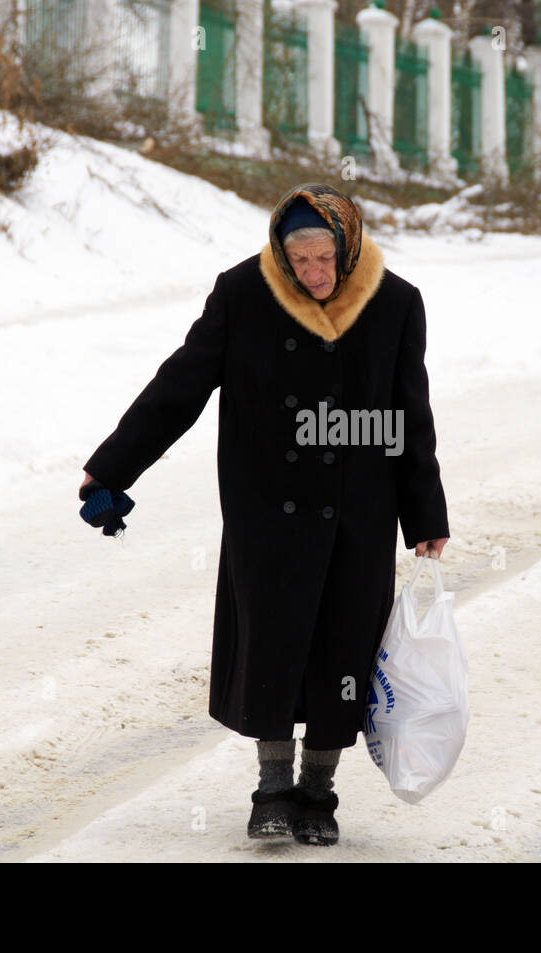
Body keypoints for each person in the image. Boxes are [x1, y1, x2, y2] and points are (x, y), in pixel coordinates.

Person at [78, 183, 450, 846]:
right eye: (299, 260)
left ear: (348, 244)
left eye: (324, 260)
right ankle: (273, 785)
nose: (312, 274)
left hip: (358, 512)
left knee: (343, 646)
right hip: (267, 511)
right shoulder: (243, 294)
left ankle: (319, 790)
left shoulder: (395, 303)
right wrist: (111, 468)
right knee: (274, 641)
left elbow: (410, 418)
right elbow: (181, 385)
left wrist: (426, 514)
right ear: (281, 252)